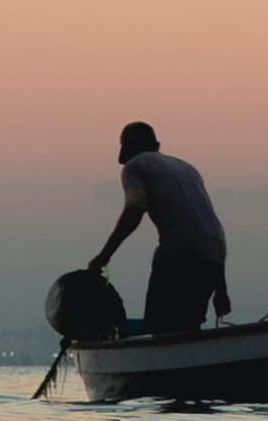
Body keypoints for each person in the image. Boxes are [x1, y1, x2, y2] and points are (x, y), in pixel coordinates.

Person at [91, 123, 228, 337]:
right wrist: (221, 289)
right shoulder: (186, 167)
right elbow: (210, 231)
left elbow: (134, 211)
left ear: (126, 148)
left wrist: (104, 256)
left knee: (159, 327)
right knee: (188, 325)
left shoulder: (135, 166)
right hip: (214, 256)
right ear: (156, 145)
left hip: (178, 254)